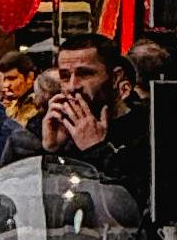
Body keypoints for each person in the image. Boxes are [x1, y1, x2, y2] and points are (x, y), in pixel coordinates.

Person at [39, 33, 150, 199]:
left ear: (115, 78)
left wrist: (97, 150)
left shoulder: (147, 127)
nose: (73, 86)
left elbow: (139, 195)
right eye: (65, 77)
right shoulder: (53, 124)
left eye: (85, 74)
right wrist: (50, 150)